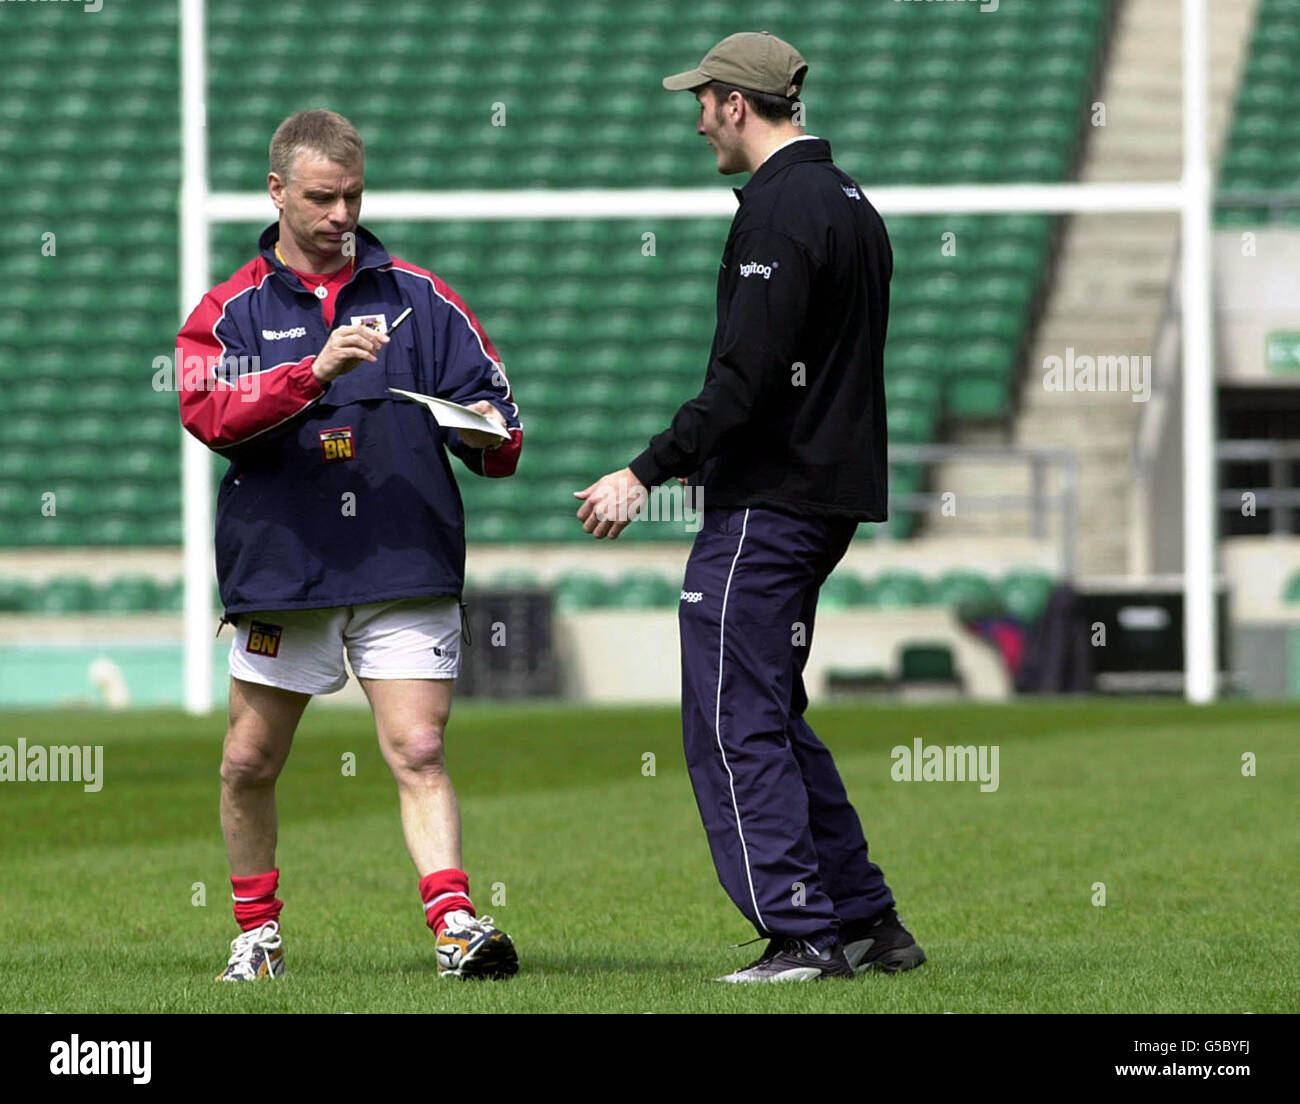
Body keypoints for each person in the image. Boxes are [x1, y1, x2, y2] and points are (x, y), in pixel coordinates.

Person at [575, 33, 926, 982]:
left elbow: (744, 382)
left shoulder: (777, 212)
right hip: (828, 498)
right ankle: (866, 922)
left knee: (731, 717)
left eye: (703, 101)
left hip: (772, 504)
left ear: (738, 103)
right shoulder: (852, 202)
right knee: (770, 708)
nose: (696, 120)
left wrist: (644, 472)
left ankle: (802, 934)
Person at [178, 109, 521, 982]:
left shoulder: (421, 296)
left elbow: (503, 428)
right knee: (248, 762)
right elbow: (206, 412)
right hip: (284, 568)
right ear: (278, 191)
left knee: (420, 750)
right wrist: (313, 372)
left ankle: (455, 925)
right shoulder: (229, 310)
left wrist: (487, 433)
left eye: (353, 196)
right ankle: (257, 934)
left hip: (402, 559)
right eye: (323, 198)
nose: (341, 215)